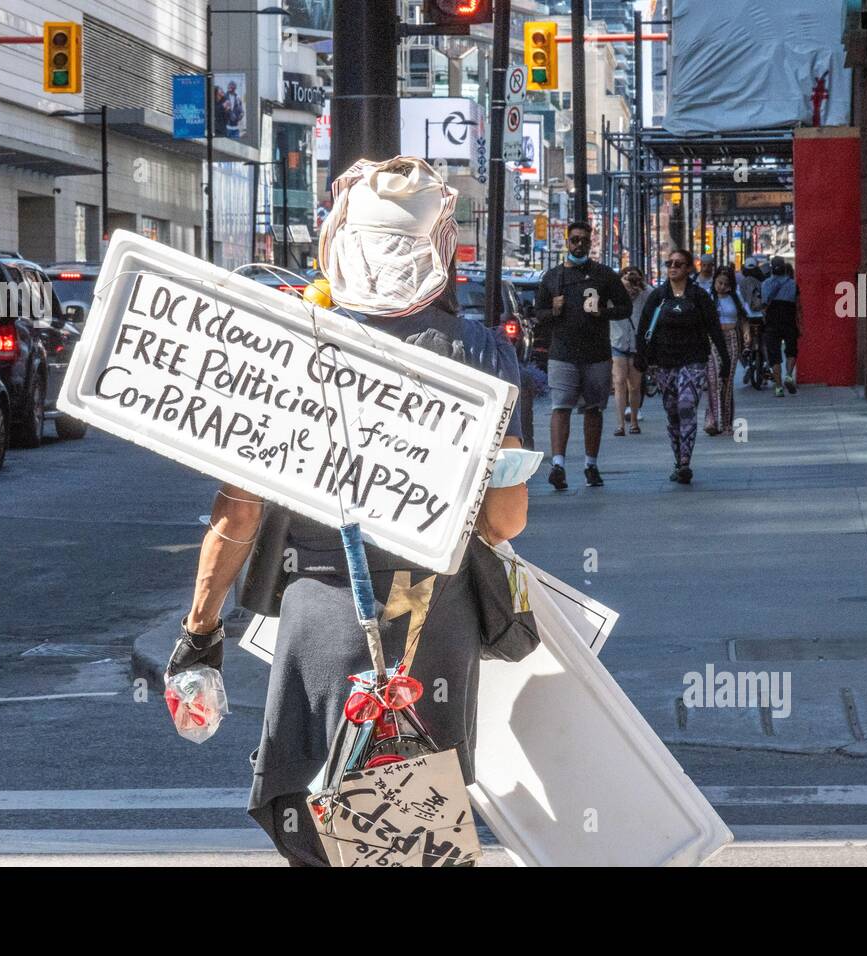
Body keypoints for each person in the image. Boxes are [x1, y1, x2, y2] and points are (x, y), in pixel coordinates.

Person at [164, 156, 529, 867]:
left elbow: (237, 514)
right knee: (409, 833)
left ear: (338, 242)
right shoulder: (481, 354)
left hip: (320, 615)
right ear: (440, 247)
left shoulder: (294, 341)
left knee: (315, 825)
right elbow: (506, 521)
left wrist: (200, 629)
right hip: (433, 616)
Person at [532, 220, 632, 490]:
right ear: (567, 241)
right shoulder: (552, 277)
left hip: (596, 354)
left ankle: (590, 464)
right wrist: (552, 309)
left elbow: (625, 307)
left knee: (593, 409)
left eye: (584, 240)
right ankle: (558, 465)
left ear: (591, 243)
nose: (578, 244)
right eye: (574, 239)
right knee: (560, 407)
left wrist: (604, 311)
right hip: (562, 354)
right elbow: (537, 315)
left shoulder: (604, 275)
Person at [636, 248, 730, 484]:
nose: (673, 267)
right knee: (672, 412)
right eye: (669, 263)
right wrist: (642, 357)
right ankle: (678, 459)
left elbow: (713, 329)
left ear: (689, 268)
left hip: (694, 360)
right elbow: (644, 328)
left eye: (679, 263)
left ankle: (686, 461)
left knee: (687, 406)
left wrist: (725, 360)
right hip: (664, 362)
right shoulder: (659, 297)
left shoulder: (699, 297)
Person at [704, 265, 750, 436]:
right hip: (713, 340)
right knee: (715, 379)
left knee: (728, 381)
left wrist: (746, 334)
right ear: (714, 282)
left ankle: (727, 422)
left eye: (725, 284)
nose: (721, 287)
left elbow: (743, 318)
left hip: (732, 338)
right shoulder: (708, 299)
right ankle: (712, 420)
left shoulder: (735, 298)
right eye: (719, 283)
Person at [611, 265, 650, 436]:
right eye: (627, 281)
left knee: (634, 386)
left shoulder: (644, 295)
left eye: (633, 282)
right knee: (619, 382)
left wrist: (641, 284)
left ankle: (634, 421)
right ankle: (620, 424)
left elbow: (654, 294)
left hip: (636, 346)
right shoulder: (613, 297)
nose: (630, 287)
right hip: (617, 343)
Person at [761, 255, 802, 396]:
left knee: (774, 356)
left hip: (772, 322)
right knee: (791, 351)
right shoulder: (792, 284)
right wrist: (800, 324)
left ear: (772, 269)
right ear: (785, 268)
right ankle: (789, 375)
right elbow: (798, 307)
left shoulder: (765, 284)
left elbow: (764, 305)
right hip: (789, 320)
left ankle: (778, 388)